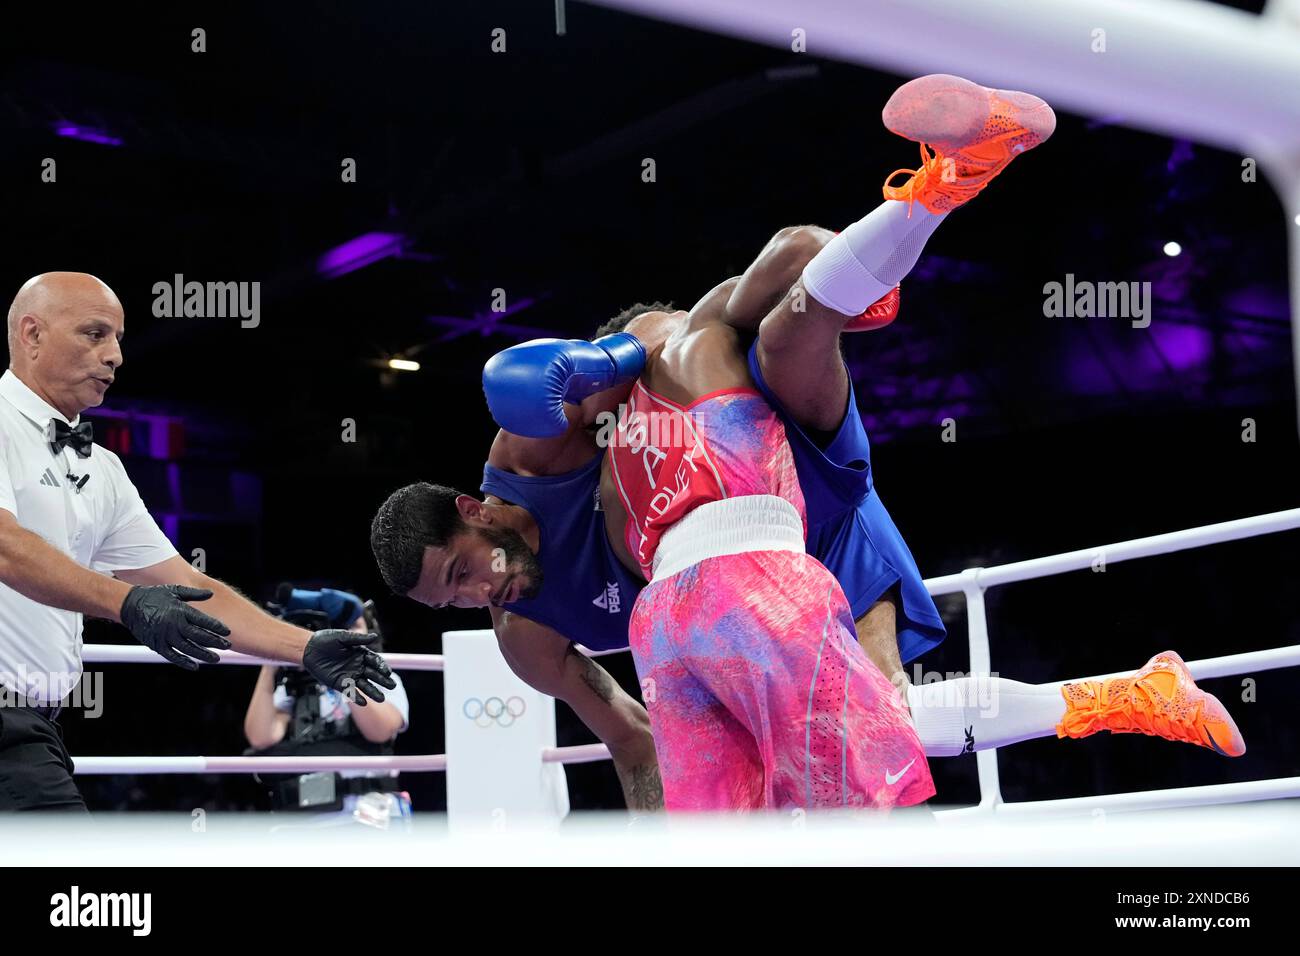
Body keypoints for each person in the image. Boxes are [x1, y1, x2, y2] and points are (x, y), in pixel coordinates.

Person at [371, 75, 1244, 809]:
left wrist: (633, 345)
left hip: (806, 502)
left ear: (471, 510)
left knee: (786, 333)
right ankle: (1130, 696)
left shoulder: (591, 406)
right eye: (451, 602)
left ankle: (946, 182)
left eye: (459, 572)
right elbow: (634, 740)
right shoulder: (541, 602)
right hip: (695, 589)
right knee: (885, 718)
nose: (473, 595)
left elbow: (776, 259)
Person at [0, 273, 394, 812]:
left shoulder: (102, 469)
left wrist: (300, 648)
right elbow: (4, 545)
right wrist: (125, 601)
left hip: (34, 729)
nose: (114, 355)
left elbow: (186, 584)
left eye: (118, 338)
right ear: (32, 333)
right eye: (94, 334)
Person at [245, 585, 411, 828]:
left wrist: (343, 673)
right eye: (336, 627)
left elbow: (380, 731)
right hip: (306, 824)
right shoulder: (295, 685)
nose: (345, 634)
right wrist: (273, 657)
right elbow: (262, 737)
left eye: (352, 626)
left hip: (368, 817)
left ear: (369, 629)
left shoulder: (384, 678)